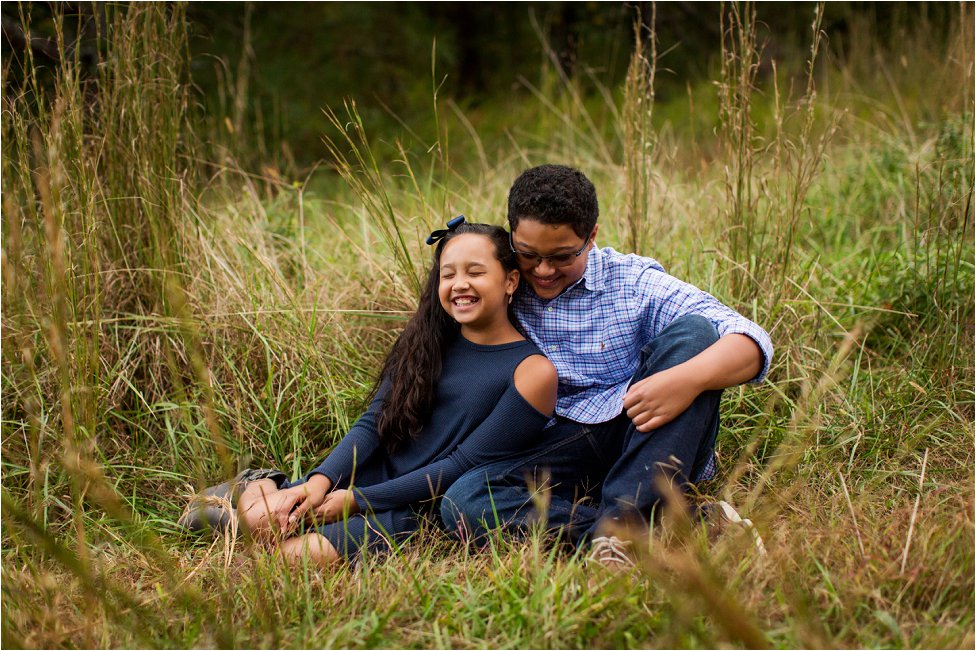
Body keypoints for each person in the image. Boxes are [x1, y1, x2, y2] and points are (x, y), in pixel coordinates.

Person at [440, 165, 774, 568]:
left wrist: (686, 380)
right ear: (513, 236)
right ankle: (666, 528)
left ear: (591, 236)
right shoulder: (502, 282)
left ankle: (622, 535)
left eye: (563, 256)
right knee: (465, 500)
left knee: (696, 333)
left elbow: (750, 339)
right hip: (561, 446)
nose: (543, 271)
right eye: (529, 255)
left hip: (646, 428)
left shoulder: (630, 282)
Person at [181, 219, 557, 567]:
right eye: (448, 274)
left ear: (510, 281)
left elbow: (462, 466)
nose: (459, 284)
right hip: (355, 483)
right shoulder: (428, 343)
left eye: (476, 272)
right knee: (199, 520)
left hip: (411, 509)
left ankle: (260, 488)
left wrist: (358, 503)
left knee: (279, 561)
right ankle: (265, 483)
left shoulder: (531, 372)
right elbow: (373, 423)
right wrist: (319, 482)